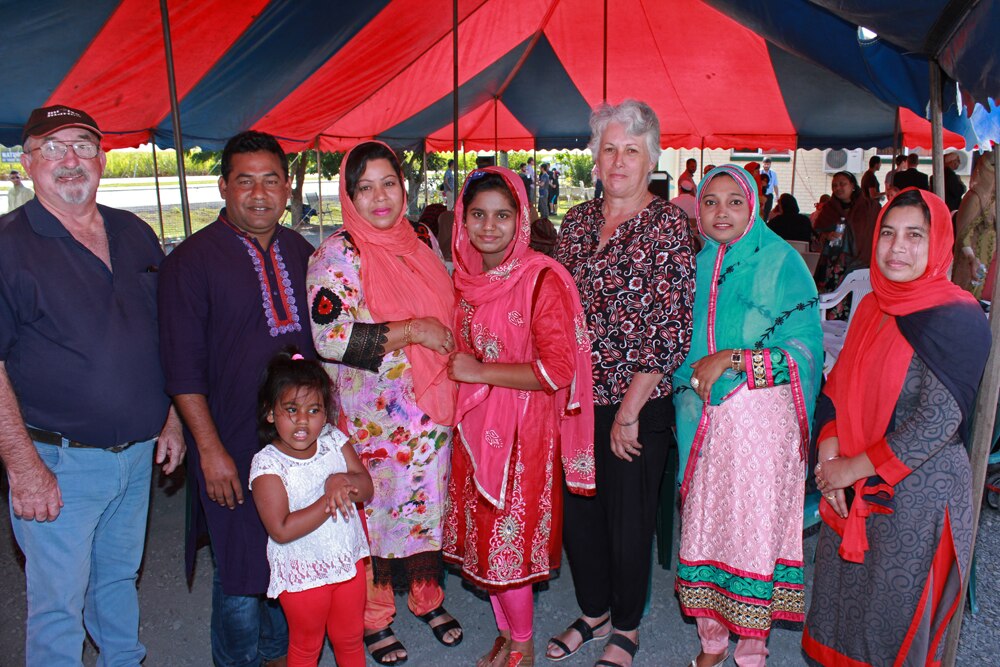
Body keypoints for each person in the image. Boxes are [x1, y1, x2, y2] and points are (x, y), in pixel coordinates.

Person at [0, 103, 184, 664]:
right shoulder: (8, 244)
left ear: (102, 158)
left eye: (82, 145)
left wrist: (171, 417)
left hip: (135, 457)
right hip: (57, 463)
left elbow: (163, 335)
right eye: (53, 148)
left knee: (118, 583)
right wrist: (23, 467)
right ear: (27, 162)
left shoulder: (133, 231)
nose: (70, 160)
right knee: (57, 606)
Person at [803, 189, 990, 666]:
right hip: (852, 487)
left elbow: (937, 422)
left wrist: (848, 470)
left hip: (917, 497)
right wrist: (830, 461)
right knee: (841, 617)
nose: (896, 247)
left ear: (939, 243)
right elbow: (837, 389)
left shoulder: (959, 318)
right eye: (888, 233)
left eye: (914, 235)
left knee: (891, 631)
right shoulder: (872, 307)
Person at [159, 130, 317, 667]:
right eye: (244, 180)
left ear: (287, 186)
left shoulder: (302, 250)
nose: (258, 193)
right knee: (239, 568)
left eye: (271, 180)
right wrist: (209, 449)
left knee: (288, 554)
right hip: (230, 441)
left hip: (298, 443)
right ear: (223, 186)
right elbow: (182, 367)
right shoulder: (191, 262)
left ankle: (278, 656)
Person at [551, 99, 696, 667]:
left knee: (627, 519)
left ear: (652, 158)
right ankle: (593, 613)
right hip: (577, 397)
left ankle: (628, 627)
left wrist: (632, 409)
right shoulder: (578, 221)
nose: (618, 161)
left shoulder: (669, 226)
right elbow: (556, 309)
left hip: (637, 400)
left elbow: (671, 324)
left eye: (630, 150)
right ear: (594, 158)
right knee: (581, 511)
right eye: (608, 149)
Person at [306, 140, 462, 666]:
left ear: (404, 186)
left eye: (389, 184)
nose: (380, 198)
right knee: (376, 516)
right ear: (349, 195)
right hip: (374, 424)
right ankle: (372, 619)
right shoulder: (337, 254)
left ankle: (426, 599)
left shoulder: (419, 240)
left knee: (426, 511)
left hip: (432, 413)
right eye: (365, 187)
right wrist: (414, 330)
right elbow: (330, 338)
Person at [443, 167, 596, 667]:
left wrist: (481, 370)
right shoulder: (464, 277)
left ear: (521, 219)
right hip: (471, 427)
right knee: (484, 541)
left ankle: (524, 646)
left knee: (507, 543)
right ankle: (508, 635)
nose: (489, 227)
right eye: (478, 215)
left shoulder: (542, 279)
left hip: (521, 434)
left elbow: (557, 370)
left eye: (503, 216)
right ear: (462, 220)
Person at [673, 165, 822, 667]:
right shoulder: (697, 265)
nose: (720, 212)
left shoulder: (783, 262)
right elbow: (679, 346)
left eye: (734, 201)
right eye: (710, 201)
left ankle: (751, 648)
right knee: (706, 529)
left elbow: (803, 348)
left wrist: (735, 360)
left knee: (752, 537)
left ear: (755, 205)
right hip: (705, 422)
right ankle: (711, 641)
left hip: (762, 424)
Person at [250, 350, 373, 667]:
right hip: (304, 574)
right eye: (291, 409)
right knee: (306, 646)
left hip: (347, 562)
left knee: (350, 639)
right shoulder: (268, 465)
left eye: (313, 409)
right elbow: (281, 529)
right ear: (270, 413)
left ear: (325, 413)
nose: (303, 420)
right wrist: (329, 496)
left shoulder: (334, 440)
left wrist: (340, 478)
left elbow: (366, 487)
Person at [813, 171, 880, 302]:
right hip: (834, 262)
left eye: (842, 184)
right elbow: (816, 233)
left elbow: (877, 231)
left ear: (853, 185)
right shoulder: (829, 209)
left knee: (856, 300)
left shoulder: (869, 207)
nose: (838, 188)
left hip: (861, 260)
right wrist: (826, 235)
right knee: (831, 299)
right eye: (834, 185)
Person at [952, 151, 997, 299]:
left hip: (992, 259)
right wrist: (972, 258)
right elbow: (963, 233)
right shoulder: (973, 198)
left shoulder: (995, 199)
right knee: (969, 297)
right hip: (973, 260)